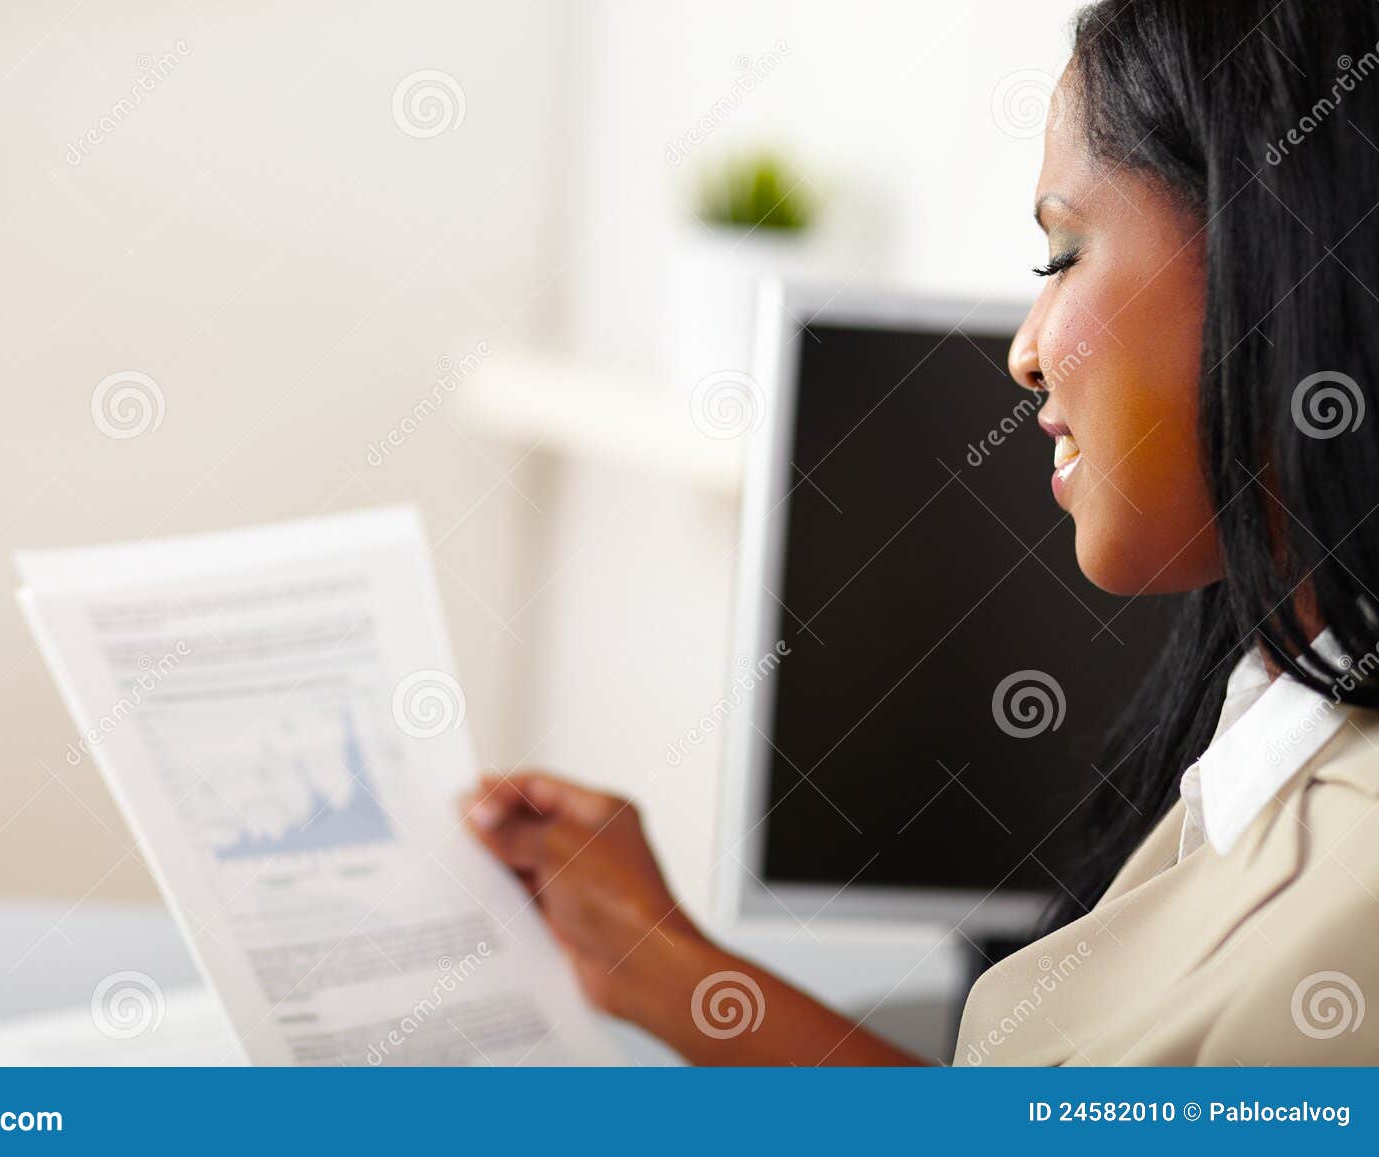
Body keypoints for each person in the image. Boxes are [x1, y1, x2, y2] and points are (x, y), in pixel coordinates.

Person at [462, 0, 1379, 1065]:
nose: (1025, 353)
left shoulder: (1347, 903)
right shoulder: (1278, 721)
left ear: (1271, 245)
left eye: (1064, 254)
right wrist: (659, 961)